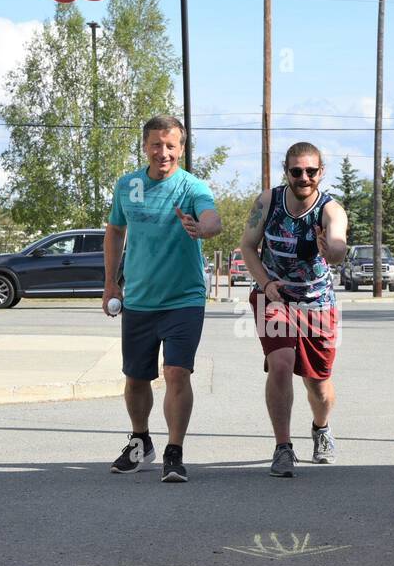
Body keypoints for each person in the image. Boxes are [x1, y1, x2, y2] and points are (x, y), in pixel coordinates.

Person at [103, 116, 221, 483]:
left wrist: (202, 228)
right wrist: (110, 283)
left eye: (171, 146)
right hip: (138, 299)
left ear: (181, 149)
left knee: (176, 372)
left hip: (184, 299)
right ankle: (141, 441)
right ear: (145, 147)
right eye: (156, 144)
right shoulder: (128, 186)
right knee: (136, 378)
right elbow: (115, 231)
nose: (163, 152)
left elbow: (213, 219)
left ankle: (175, 451)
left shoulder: (192, 187)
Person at [240, 142, 348, 477]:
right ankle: (283, 447)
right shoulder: (268, 202)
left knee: (318, 384)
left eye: (311, 171)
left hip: (317, 303)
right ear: (285, 171)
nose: (304, 177)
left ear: (321, 172)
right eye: (296, 171)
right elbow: (247, 245)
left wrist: (329, 249)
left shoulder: (330, 210)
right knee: (281, 365)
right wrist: (266, 283)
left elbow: (338, 249)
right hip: (275, 297)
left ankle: (321, 427)